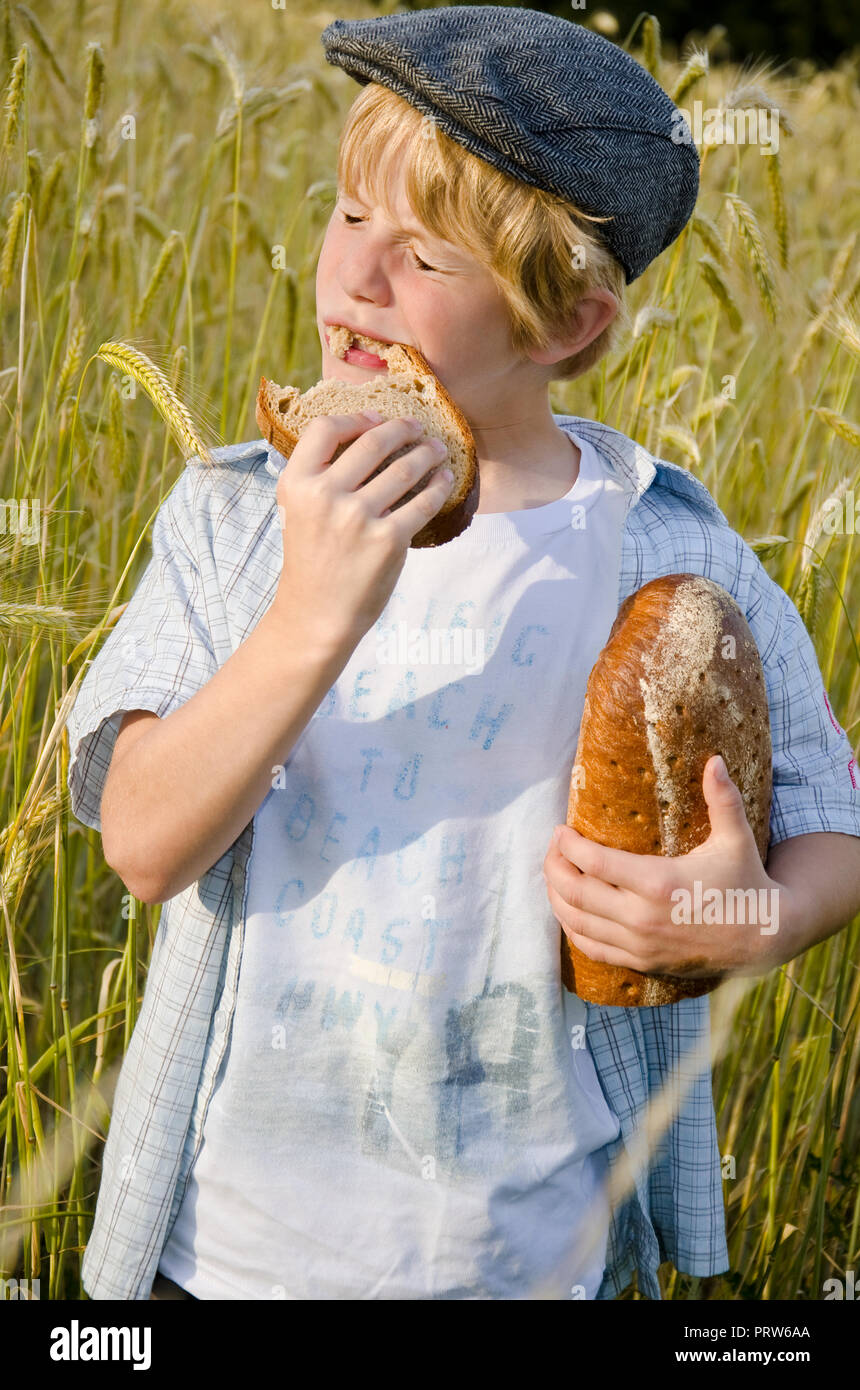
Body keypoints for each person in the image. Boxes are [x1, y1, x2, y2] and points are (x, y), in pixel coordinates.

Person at [66, 6, 860, 1300]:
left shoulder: (672, 551)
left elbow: (836, 826)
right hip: (227, 1255)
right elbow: (147, 846)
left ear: (568, 328)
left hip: (537, 1257)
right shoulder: (230, 516)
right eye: (346, 213)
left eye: (427, 256)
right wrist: (316, 609)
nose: (356, 278)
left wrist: (745, 912)